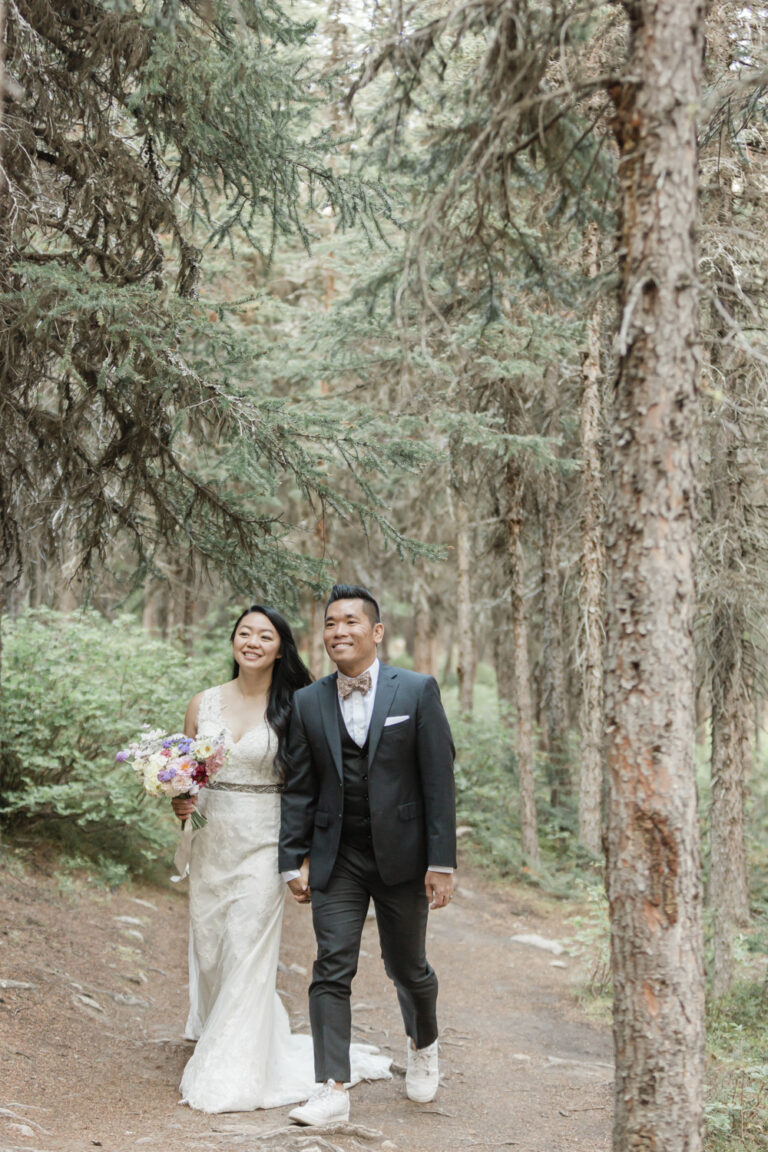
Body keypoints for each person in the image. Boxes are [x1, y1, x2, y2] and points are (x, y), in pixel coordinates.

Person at [171, 605, 391, 1113]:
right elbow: (186, 776)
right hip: (211, 841)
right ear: (233, 641)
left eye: (264, 635)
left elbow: (309, 786)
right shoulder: (202, 703)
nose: (252, 641)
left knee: (246, 946)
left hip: (266, 843)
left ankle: (232, 1069)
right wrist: (179, 798)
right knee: (210, 948)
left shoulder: (296, 706)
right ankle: (227, 1030)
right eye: (244, 633)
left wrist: (303, 857)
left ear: (279, 647)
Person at [279, 584, 457, 1127]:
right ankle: (331, 1088)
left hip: (404, 858)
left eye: (351, 622)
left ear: (375, 631)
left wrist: (441, 861)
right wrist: (293, 859)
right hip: (339, 856)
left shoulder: (417, 691)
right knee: (331, 967)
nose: (339, 632)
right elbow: (300, 789)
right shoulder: (309, 701)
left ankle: (423, 1044)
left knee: (407, 966)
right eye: (331, 623)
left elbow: (438, 779)